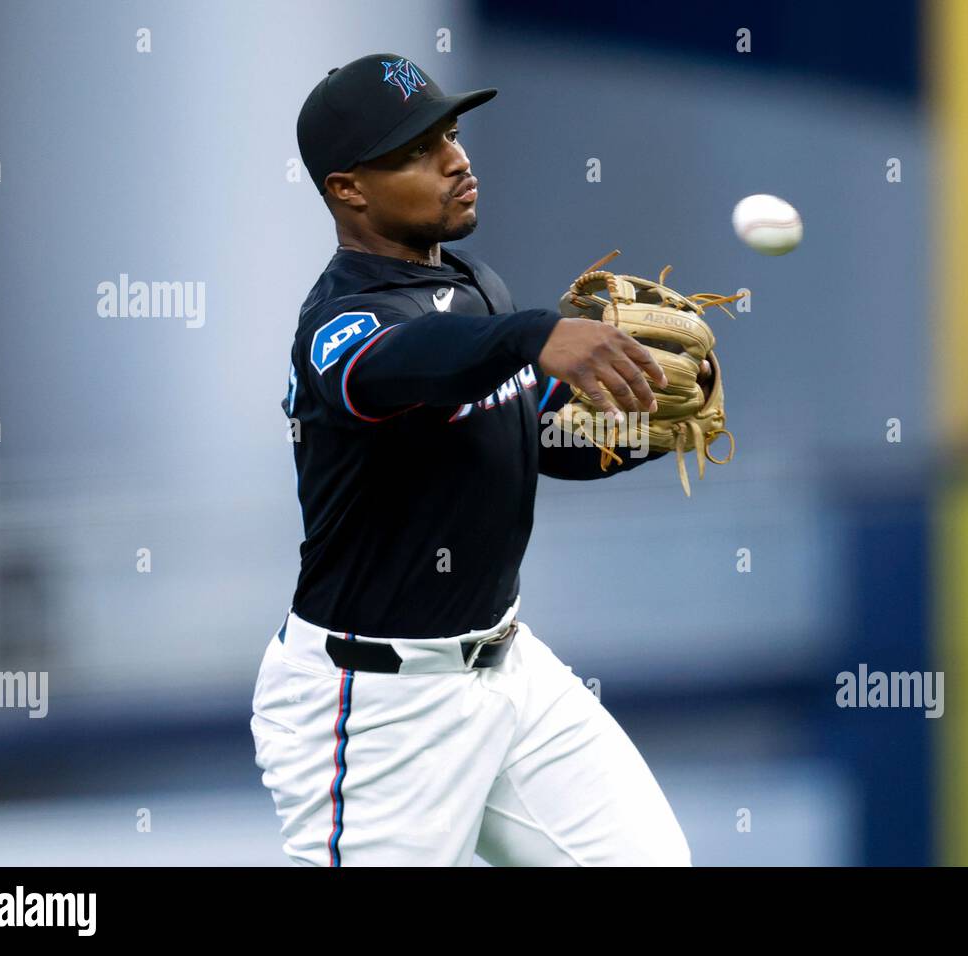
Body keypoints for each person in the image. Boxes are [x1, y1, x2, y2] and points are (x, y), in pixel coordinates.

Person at [250, 53, 695, 866]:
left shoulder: (473, 284)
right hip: (378, 707)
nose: (456, 159)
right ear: (348, 189)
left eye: (451, 134)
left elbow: (537, 434)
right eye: (418, 150)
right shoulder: (338, 320)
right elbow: (397, 365)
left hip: (509, 670)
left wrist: (643, 424)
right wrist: (535, 334)